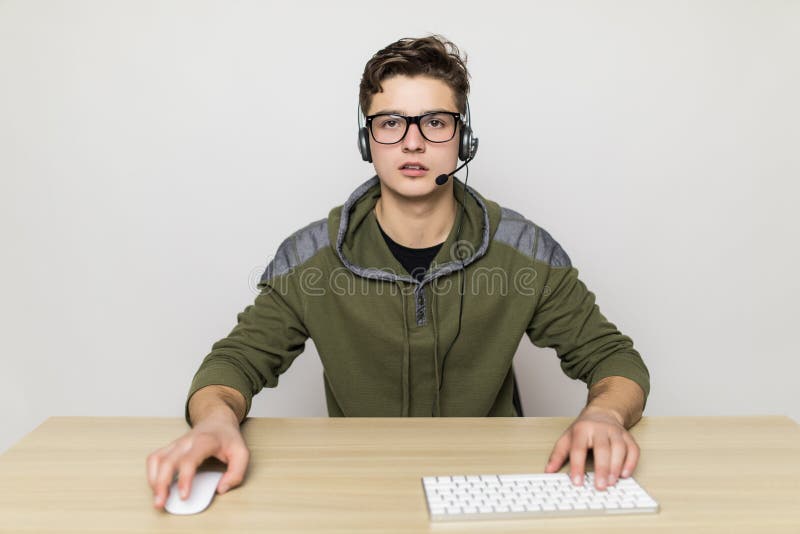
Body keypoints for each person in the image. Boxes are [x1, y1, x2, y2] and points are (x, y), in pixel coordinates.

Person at [146, 34, 650, 510]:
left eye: (434, 122)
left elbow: (614, 359)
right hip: (361, 485)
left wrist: (604, 415)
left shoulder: (524, 250)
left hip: (491, 483)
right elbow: (233, 364)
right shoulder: (310, 258)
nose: (412, 143)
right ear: (368, 141)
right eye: (390, 123)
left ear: (463, 137)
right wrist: (214, 422)